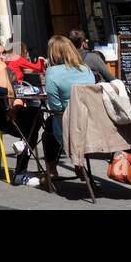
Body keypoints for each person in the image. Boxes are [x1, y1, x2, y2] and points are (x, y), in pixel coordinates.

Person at [0, 40, 43, 186]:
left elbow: (18, 94)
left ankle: (22, 148)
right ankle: (20, 173)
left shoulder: (10, 72)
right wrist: (1, 69)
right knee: (30, 130)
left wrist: (14, 109)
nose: (1, 57)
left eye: (4, 53)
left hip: (10, 113)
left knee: (35, 113)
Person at [43, 35, 95, 171]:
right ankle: (79, 166)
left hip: (68, 123)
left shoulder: (52, 72)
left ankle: (52, 170)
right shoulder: (86, 69)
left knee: (47, 130)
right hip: (90, 122)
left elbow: (55, 106)